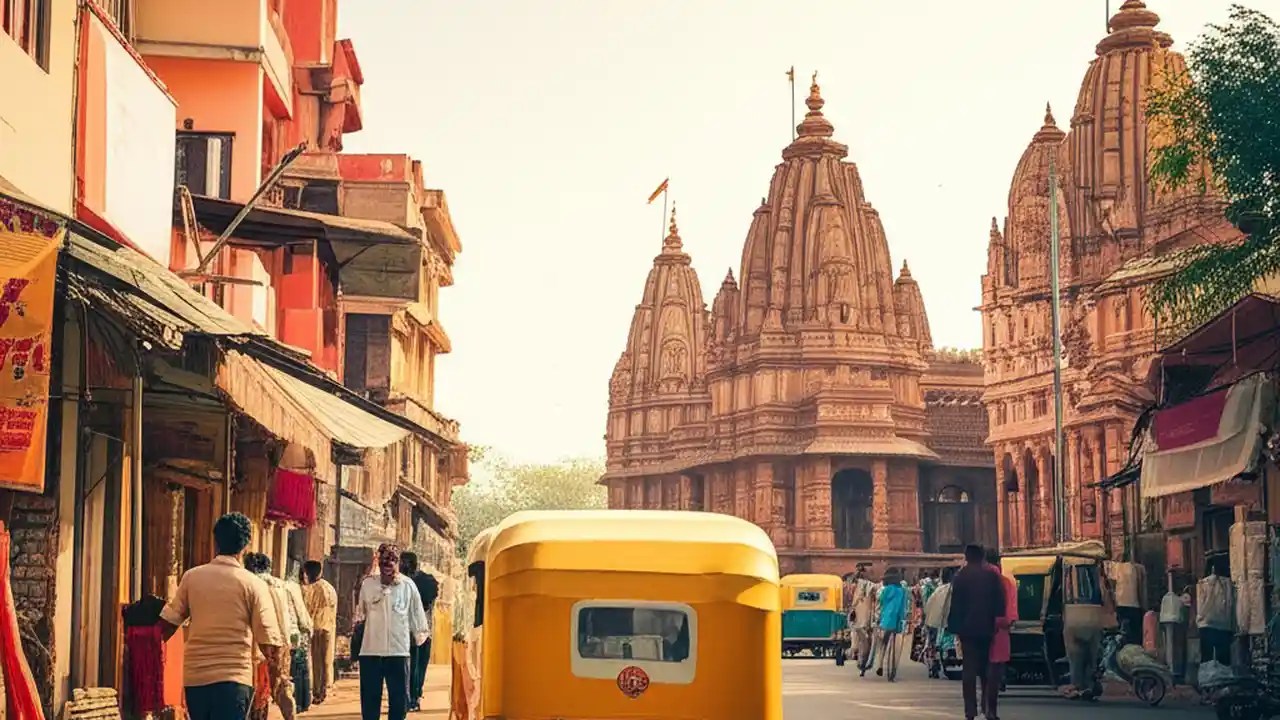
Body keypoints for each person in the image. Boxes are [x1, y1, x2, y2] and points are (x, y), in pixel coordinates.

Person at [160, 513, 285, 720]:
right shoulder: (253, 584)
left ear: (215, 542)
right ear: (246, 547)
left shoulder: (192, 577)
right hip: (234, 679)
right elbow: (268, 641)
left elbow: (168, 623)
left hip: (196, 680)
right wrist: (276, 677)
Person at [355, 543, 430, 720]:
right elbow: (360, 614)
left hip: (398, 652)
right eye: (384, 563)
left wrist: (419, 637)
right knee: (370, 702)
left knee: (399, 701)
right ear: (379, 564)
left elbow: (417, 614)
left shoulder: (408, 586)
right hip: (371, 652)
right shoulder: (368, 585)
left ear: (397, 564)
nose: (388, 567)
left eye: (392, 562)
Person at [244, 553, 312, 720]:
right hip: (280, 642)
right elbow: (296, 616)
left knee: (253, 684)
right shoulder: (283, 586)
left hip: (254, 642)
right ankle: (289, 715)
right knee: (279, 683)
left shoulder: (249, 584)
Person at [947, 544, 1005, 720]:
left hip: (967, 630)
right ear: (982, 558)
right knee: (987, 668)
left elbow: (955, 605)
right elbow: (999, 604)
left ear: (967, 557)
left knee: (969, 670)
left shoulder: (960, 577)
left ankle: (970, 711)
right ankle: (988, 707)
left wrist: (954, 627)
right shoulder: (991, 577)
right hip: (986, 628)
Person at [400, 551, 440, 712]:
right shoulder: (428, 581)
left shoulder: (402, 582)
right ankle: (414, 697)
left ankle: (409, 697)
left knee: (409, 666)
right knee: (419, 666)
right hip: (423, 631)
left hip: (408, 631)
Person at [986, 549, 1017, 720]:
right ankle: (991, 710)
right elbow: (1011, 613)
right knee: (995, 670)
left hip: (977, 629)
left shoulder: (974, 580)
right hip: (999, 630)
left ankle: (979, 708)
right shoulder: (1005, 582)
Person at [302, 560, 338, 705]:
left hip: (316, 628)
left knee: (316, 662)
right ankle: (324, 689)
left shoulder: (311, 589)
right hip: (329, 627)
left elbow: (307, 610)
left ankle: (318, 692)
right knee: (326, 660)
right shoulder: (329, 588)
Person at [876, 573, 909, 681]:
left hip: (886, 618)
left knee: (883, 642)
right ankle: (893, 671)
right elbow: (904, 606)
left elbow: (881, 601)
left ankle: (880, 664)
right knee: (895, 645)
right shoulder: (902, 591)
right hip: (898, 619)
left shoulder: (886, 589)